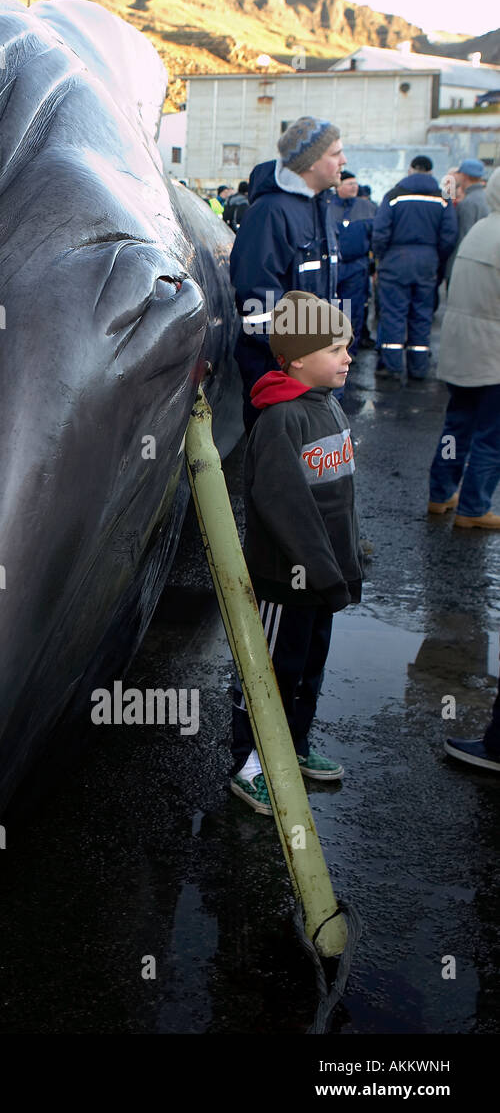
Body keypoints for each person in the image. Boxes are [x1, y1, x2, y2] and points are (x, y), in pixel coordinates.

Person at [229, 291, 362, 814]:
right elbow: (287, 510)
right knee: (269, 673)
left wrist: (346, 566)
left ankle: (295, 747)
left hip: (325, 578)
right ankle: (250, 764)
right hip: (288, 582)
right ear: (299, 358)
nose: (348, 357)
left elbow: (340, 499)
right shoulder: (282, 420)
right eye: (336, 348)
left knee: (308, 670)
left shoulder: (327, 404)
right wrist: (324, 572)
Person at [230, 117, 345, 431]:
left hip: (317, 365)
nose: (343, 161)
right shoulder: (270, 213)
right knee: (281, 465)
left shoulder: (320, 209)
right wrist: (297, 357)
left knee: (317, 463)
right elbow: (257, 302)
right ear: (309, 163)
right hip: (285, 372)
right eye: (335, 153)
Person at [426, 167, 500, 529]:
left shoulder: (482, 228)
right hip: (493, 353)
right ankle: (474, 508)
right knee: (491, 435)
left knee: (457, 427)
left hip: (463, 349)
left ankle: (441, 494)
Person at [371, 155, 458, 381]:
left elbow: (380, 232)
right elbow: (449, 235)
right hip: (428, 261)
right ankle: (418, 368)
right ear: (431, 172)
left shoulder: (393, 196)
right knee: (422, 315)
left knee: (393, 314)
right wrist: (435, 258)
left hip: (395, 261)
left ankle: (391, 367)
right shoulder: (443, 197)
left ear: (411, 170)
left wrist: (382, 257)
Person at [331, 169, 378, 351]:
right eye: (350, 183)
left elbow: (376, 237)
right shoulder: (327, 207)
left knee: (352, 310)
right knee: (329, 309)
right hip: (333, 267)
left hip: (357, 267)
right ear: (338, 186)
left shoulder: (367, 207)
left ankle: (349, 349)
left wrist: (373, 266)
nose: (354, 187)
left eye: (355, 184)